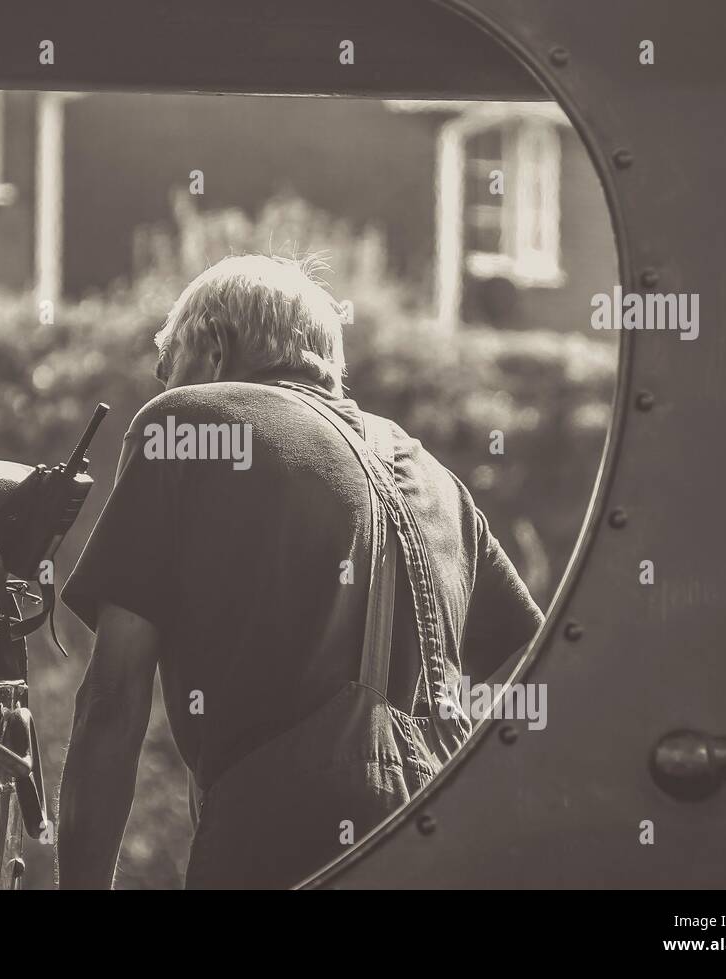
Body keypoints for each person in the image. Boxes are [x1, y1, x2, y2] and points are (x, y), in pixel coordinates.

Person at [56, 254, 542, 889]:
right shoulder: (439, 481)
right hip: (439, 839)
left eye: (165, 369)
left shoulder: (187, 420)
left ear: (207, 348)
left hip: (277, 841)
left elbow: (113, 702)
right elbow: (532, 670)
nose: (161, 390)